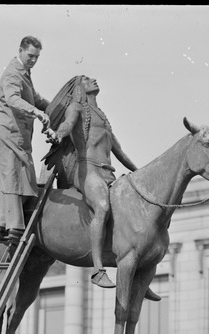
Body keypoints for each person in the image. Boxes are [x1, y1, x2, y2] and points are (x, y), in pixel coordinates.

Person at [44, 75, 138, 289]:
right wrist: (58, 135)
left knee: (129, 208)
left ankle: (136, 267)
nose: (93, 80)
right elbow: (67, 125)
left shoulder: (103, 117)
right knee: (102, 206)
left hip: (107, 173)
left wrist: (138, 172)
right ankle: (98, 270)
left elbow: (120, 152)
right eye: (86, 80)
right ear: (79, 88)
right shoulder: (76, 108)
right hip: (87, 170)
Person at [0, 36, 52, 243]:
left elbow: (35, 97)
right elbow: (13, 98)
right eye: (30, 56)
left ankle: (2, 224)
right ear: (21, 50)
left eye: (36, 57)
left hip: (14, 131)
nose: (33, 60)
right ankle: (14, 227)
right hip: (8, 130)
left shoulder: (24, 72)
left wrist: (54, 108)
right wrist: (36, 112)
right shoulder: (13, 72)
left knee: (15, 175)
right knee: (15, 175)